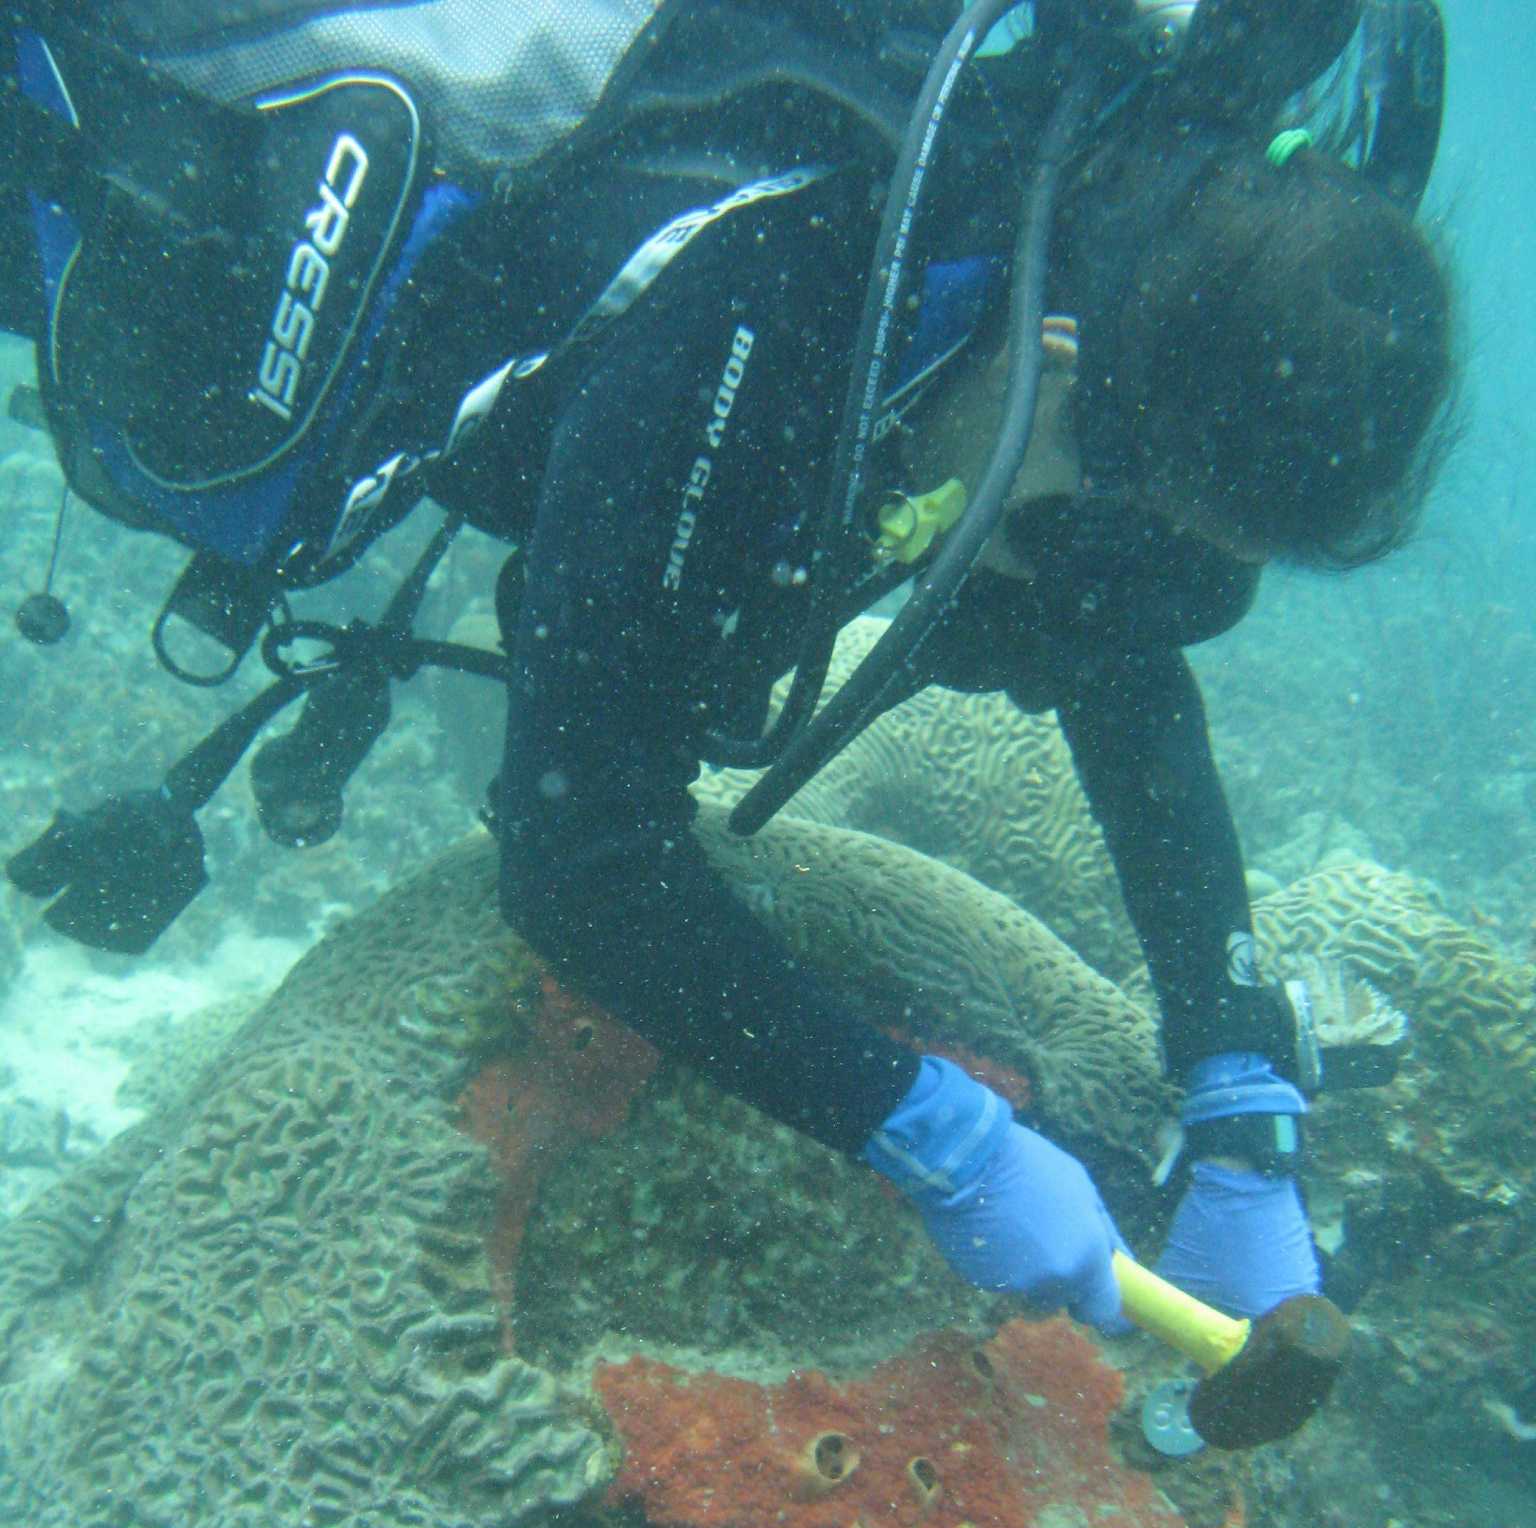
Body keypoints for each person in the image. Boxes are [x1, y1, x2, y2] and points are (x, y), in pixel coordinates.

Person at [1, 1, 1455, 1352]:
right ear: (1058, 371)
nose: (1090, 575)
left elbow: (1119, 660)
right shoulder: (768, 304)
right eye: (1093, 518)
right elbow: (581, 861)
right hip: (146, 164)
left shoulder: (1105, 245)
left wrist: (1237, 1067)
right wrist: (925, 1126)